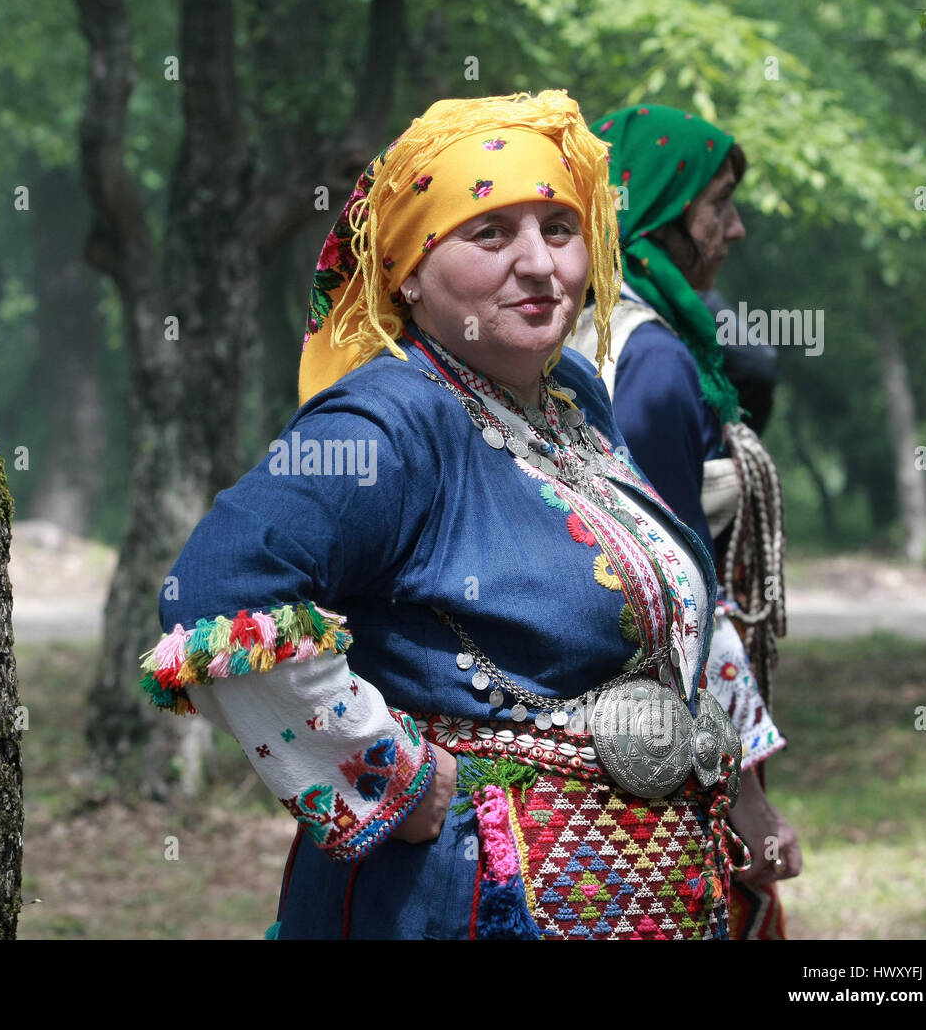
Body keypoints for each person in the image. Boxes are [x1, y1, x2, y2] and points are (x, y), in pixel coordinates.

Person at [139, 91, 752, 939]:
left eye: (560, 229)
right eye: (491, 232)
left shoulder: (574, 397)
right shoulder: (391, 418)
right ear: (409, 271)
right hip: (457, 901)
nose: (539, 264)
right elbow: (216, 589)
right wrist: (388, 773)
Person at [566, 105, 802, 939]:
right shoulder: (655, 361)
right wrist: (741, 793)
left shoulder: (592, 328)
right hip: (664, 738)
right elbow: (671, 594)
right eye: (719, 206)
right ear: (660, 214)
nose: (734, 230)